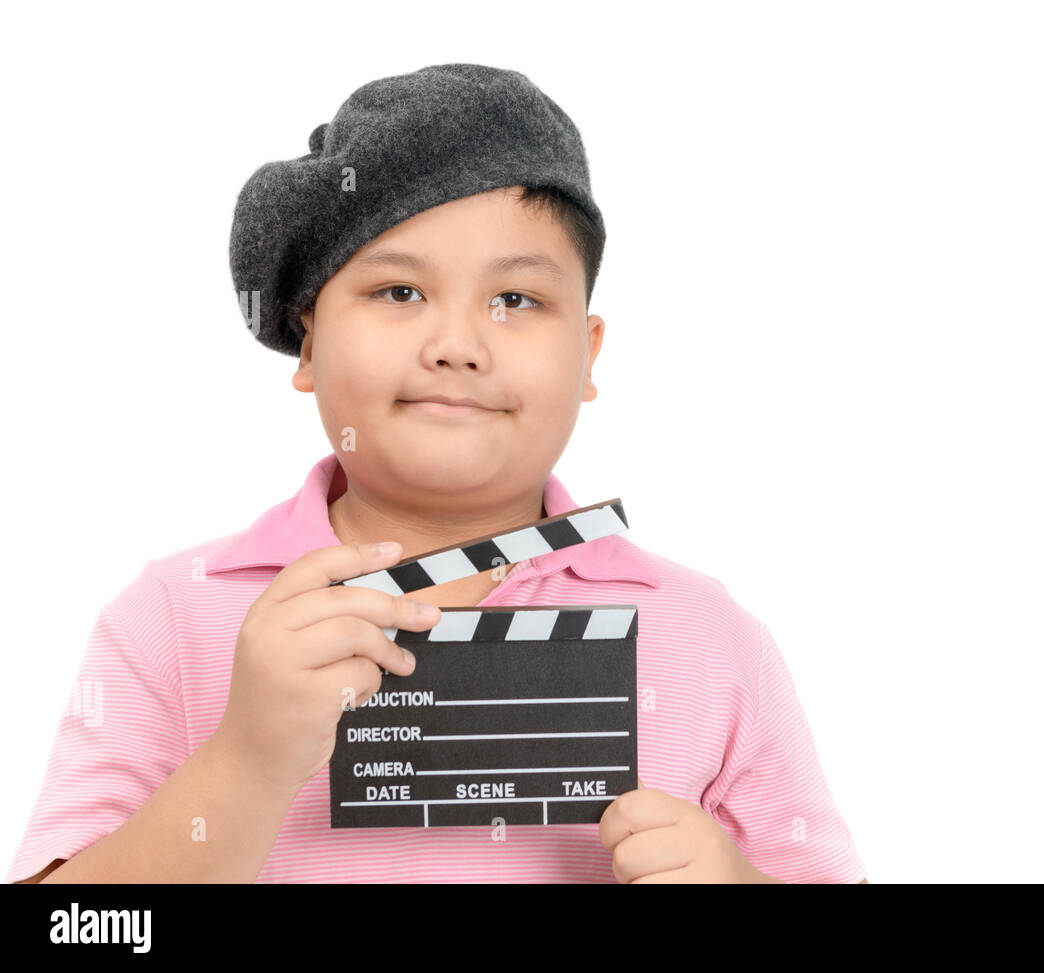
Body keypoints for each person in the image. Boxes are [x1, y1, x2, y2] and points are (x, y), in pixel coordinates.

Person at [7, 63, 867, 884]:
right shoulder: (172, 616)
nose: (457, 345)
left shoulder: (712, 637)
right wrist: (246, 761)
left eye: (517, 300)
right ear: (308, 343)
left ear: (589, 355)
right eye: (399, 293)